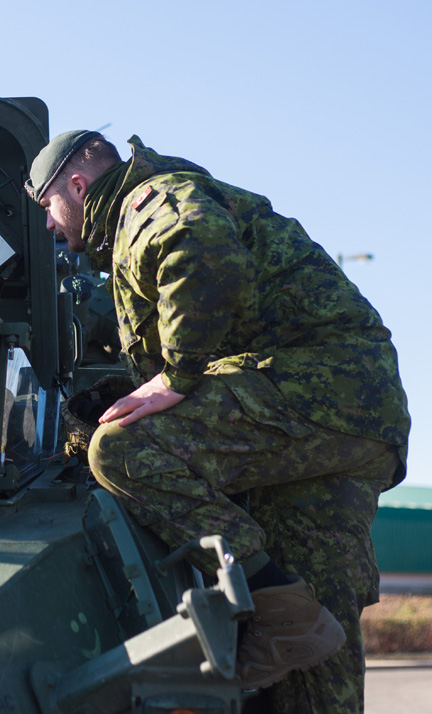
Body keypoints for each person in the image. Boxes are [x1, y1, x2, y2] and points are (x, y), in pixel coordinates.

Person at [26, 130, 410, 711]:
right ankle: (288, 615)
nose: (51, 227)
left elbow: (200, 244)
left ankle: (276, 610)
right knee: (319, 618)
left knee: (119, 450)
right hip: (351, 415)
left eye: (47, 207)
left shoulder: (148, 201)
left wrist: (175, 376)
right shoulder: (153, 209)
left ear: (76, 185)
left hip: (311, 391)